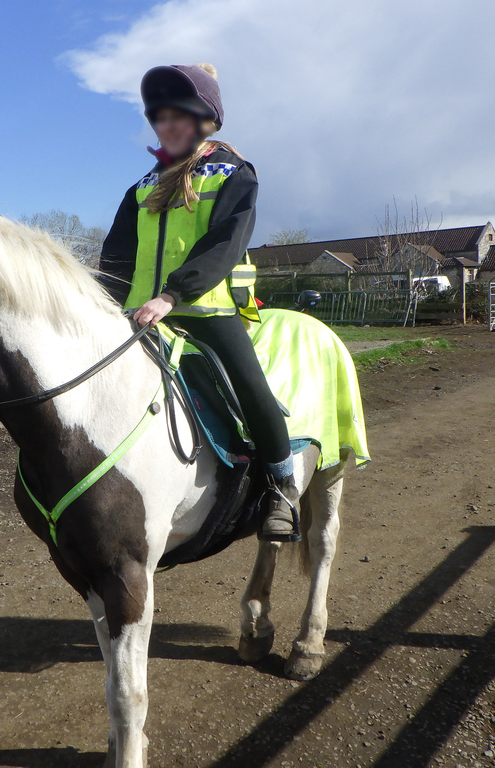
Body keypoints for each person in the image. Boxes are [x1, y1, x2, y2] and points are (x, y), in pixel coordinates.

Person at [98, 62, 299, 541]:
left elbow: (224, 245)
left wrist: (172, 295)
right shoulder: (142, 187)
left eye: (178, 116)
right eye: (159, 117)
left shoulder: (233, 174)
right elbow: (117, 258)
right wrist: (101, 303)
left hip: (206, 311)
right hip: (141, 315)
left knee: (251, 388)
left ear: (206, 120)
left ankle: (282, 486)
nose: (166, 125)